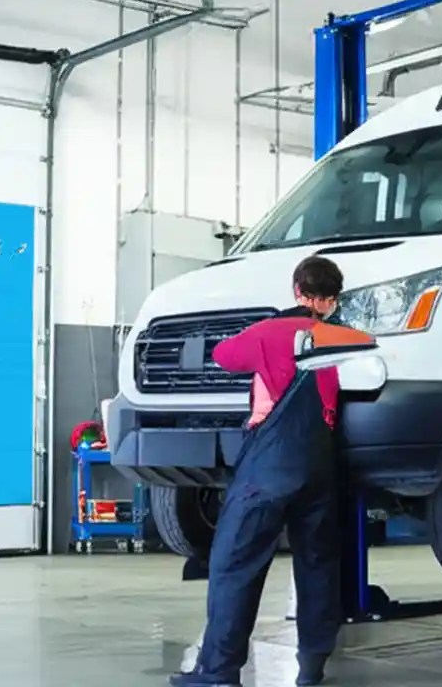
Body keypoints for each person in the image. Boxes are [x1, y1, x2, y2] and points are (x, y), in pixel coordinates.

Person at [171, 256, 351, 687]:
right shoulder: (343, 338)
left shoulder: (269, 332)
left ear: (296, 290)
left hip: (268, 463)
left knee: (235, 563)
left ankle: (218, 673)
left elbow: (223, 355)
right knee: (318, 565)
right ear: (332, 300)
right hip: (320, 465)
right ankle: (311, 669)